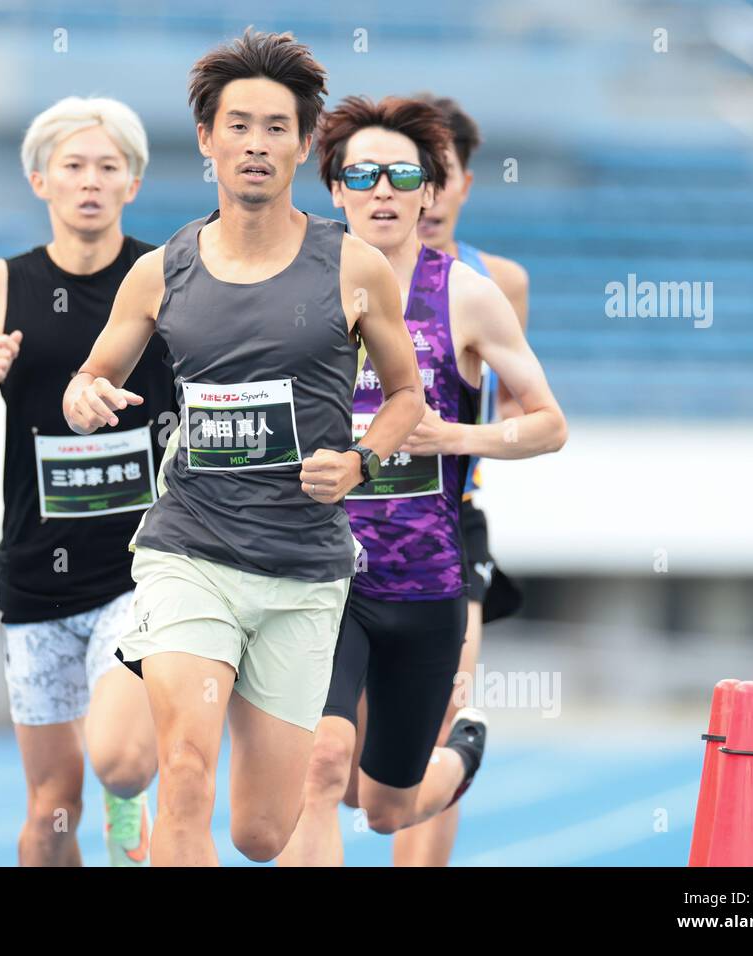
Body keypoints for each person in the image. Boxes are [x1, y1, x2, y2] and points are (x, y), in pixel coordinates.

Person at [62, 29, 424, 866]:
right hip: (190, 549)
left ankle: (160, 670)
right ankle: (163, 663)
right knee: (183, 770)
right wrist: (87, 398)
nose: (255, 144)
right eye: (238, 126)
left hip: (302, 569)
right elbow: (93, 376)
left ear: (303, 143)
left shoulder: (356, 267)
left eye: (274, 128)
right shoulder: (161, 271)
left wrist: (361, 461)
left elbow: (408, 396)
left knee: (262, 834)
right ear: (207, 140)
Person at [277, 95, 566, 865]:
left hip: (427, 575)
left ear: (429, 190)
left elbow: (548, 423)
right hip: (325, 575)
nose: (382, 189)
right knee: (320, 765)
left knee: (382, 809)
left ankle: (462, 752)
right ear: (335, 186)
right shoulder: (301, 287)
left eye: (401, 173)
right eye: (361, 173)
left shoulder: (468, 293)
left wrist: (454, 435)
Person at [0, 96, 174, 867]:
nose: (90, 182)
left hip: (141, 571)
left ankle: (128, 803)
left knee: (123, 763)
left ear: (133, 183)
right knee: (50, 813)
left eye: (109, 167)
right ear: (41, 180)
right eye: (74, 166)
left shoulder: (164, 278)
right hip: (36, 577)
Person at [396, 92, 534, 866]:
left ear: (464, 183)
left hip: (452, 519)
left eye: (443, 173)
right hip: (349, 524)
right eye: (416, 172)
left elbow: (526, 419)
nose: (431, 191)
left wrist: (462, 433)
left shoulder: (498, 282)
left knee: (442, 707)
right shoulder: (353, 269)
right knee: (340, 745)